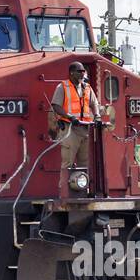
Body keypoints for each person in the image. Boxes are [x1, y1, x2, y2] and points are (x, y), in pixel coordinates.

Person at [51, 61, 101, 200]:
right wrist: (69, 116)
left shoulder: (87, 87)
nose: (82, 73)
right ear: (71, 72)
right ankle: (64, 194)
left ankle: (83, 191)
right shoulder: (63, 87)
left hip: (85, 129)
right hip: (70, 129)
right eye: (79, 71)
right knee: (67, 162)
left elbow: (94, 103)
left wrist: (96, 115)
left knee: (84, 163)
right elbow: (56, 105)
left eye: (83, 71)